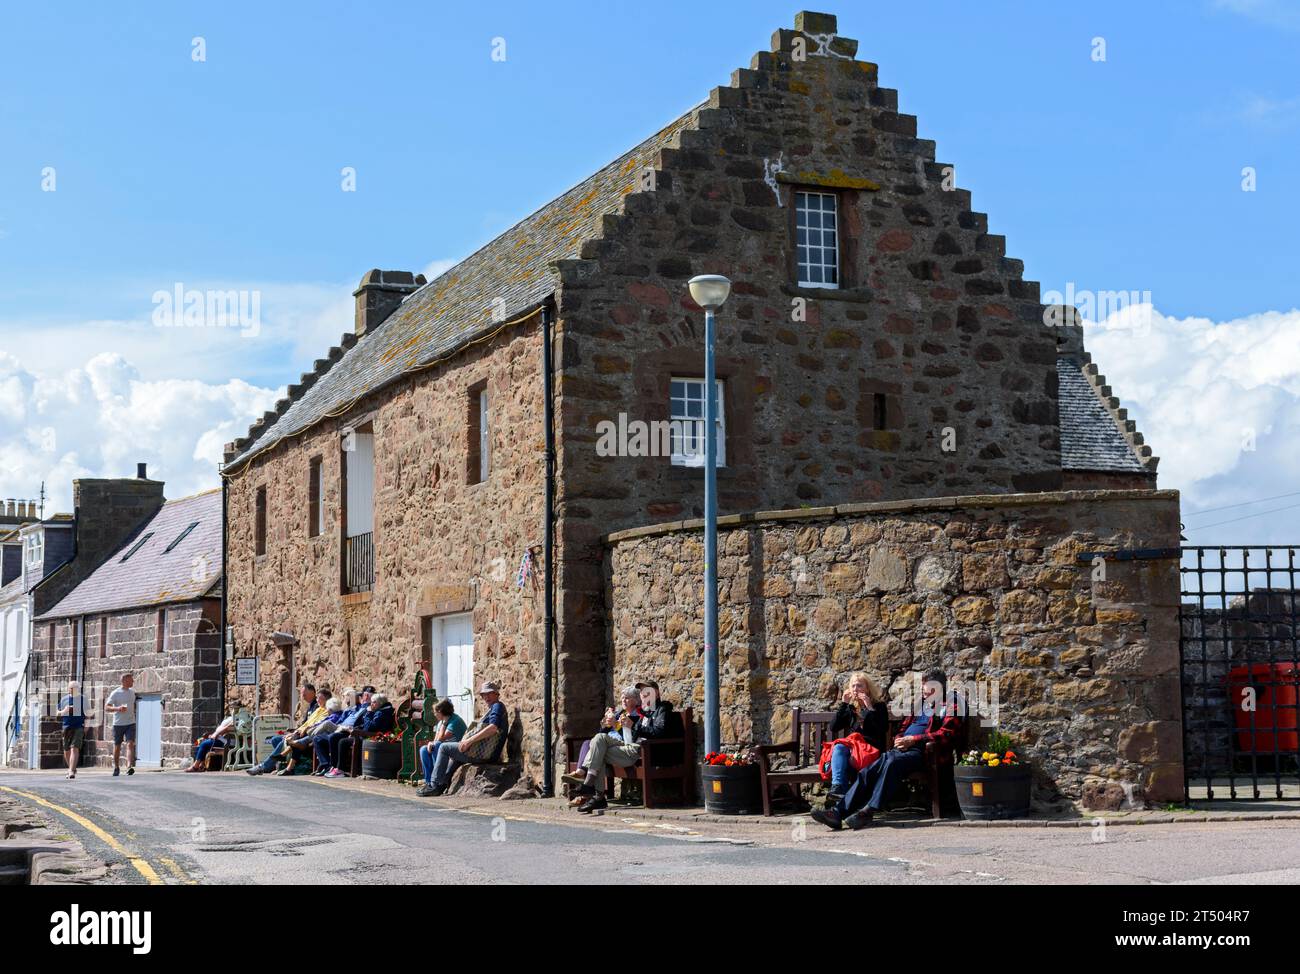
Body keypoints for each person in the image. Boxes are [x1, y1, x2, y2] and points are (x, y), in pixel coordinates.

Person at [812, 669, 964, 831]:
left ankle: (868, 811)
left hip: (924, 753)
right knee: (868, 771)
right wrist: (899, 738)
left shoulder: (951, 703)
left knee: (891, 762)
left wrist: (913, 740)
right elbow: (904, 726)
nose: (923, 692)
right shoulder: (921, 704)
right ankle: (837, 813)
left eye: (926, 688)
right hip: (903, 749)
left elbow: (946, 734)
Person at [569, 680, 678, 814]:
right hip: (631, 747)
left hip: (643, 751)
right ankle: (593, 790)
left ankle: (595, 793)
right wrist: (619, 726)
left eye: (647, 692)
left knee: (598, 751)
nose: (643, 696)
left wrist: (631, 726)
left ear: (656, 693)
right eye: (642, 693)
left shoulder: (662, 709)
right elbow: (631, 735)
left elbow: (659, 732)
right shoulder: (643, 712)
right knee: (598, 740)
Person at [562, 685, 643, 807]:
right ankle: (595, 794)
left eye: (627, 698)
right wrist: (605, 725)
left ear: (636, 700)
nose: (623, 700)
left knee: (598, 747)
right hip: (611, 745)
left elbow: (631, 738)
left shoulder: (638, 715)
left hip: (625, 748)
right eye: (622, 698)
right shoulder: (620, 713)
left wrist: (616, 725)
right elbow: (602, 734)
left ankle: (590, 789)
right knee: (597, 747)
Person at [425, 682, 508, 796]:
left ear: (496, 694)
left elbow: (493, 728)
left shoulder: (497, 706)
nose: (486, 697)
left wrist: (469, 741)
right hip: (485, 752)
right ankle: (443, 783)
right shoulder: (494, 708)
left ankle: (434, 784)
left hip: (487, 754)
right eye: (484, 695)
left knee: (444, 748)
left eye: (490, 694)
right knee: (455, 753)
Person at [823, 671, 889, 805]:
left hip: (872, 751)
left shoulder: (879, 706)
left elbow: (882, 729)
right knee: (839, 747)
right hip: (854, 752)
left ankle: (845, 803)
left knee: (847, 758)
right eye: (853, 686)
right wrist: (844, 704)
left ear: (867, 688)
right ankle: (838, 788)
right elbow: (833, 727)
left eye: (859, 686)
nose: (855, 689)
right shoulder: (851, 709)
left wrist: (869, 708)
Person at [246, 684, 328, 776]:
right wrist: (294, 732)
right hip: (300, 733)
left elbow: (314, 725)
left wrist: (296, 733)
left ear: (312, 693)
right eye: (302, 694)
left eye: (304, 694)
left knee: (284, 741)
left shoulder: (318, 707)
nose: (303, 697)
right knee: (275, 739)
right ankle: (279, 764)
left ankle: (264, 766)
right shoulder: (312, 707)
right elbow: (304, 723)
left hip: (307, 736)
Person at [330, 691, 394, 777]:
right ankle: (337, 767)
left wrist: (369, 713)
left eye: (373, 702)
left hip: (372, 736)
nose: (371, 704)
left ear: (380, 703)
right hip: (368, 734)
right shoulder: (382, 710)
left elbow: (369, 727)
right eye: (371, 702)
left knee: (343, 742)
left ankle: (341, 769)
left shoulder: (380, 712)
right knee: (337, 738)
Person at [277, 693, 345, 775]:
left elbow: (324, 724)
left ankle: (289, 764)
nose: (317, 700)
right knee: (313, 738)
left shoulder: (334, 716)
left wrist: (307, 729)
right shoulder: (318, 710)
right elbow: (313, 723)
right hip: (313, 732)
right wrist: (301, 729)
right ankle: (324, 765)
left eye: (320, 698)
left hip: (331, 732)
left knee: (301, 740)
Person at [312, 687, 369, 775]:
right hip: (339, 728)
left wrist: (355, 699)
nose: (344, 699)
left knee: (332, 735)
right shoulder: (348, 709)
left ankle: (334, 766)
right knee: (317, 739)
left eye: (346, 697)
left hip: (348, 731)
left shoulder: (361, 709)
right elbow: (341, 720)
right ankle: (326, 765)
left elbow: (360, 721)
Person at [415, 699, 468, 796]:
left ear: (440, 711)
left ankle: (438, 782)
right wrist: (431, 743)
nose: (434, 714)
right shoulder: (441, 722)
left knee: (438, 746)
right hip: (444, 750)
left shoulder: (455, 721)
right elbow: (435, 740)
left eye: (435, 712)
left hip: (456, 751)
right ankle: (429, 782)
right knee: (423, 750)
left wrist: (443, 725)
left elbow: (441, 739)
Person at [104, 673, 137, 777]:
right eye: (131, 680)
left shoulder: (132, 692)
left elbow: (133, 705)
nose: (133, 681)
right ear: (124, 681)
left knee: (130, 743)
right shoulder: (116, 693)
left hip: (130, 722)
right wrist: (118, 709)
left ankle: (129, 767)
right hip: (118, 723)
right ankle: (116, 767)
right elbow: (106, 707)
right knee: (117, 746)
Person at [57, 680, 91, 779]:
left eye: (75, 688)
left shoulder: (83, 699)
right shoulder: (64, 699)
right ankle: (71, 768)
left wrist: (87, 726)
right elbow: (57, 712)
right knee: (66, 750)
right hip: (66, 726)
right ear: (69, 689)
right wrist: (64, 710)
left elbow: (88, 713)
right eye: (71, 688)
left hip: (78, 726)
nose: (73, 690)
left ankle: (71, 771)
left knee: (74, 748)